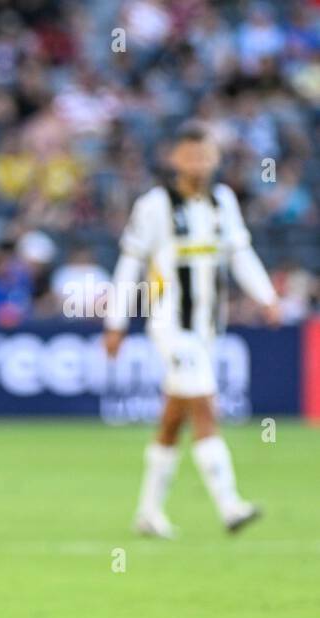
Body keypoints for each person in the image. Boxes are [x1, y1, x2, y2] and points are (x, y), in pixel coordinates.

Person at [103, 121, 279, 538]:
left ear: (216, 158)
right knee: (204, 406)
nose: (198, 163)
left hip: (206, 328)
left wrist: (267, 296)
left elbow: (240, 253)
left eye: (205, 154)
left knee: (173, 419)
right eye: (190, 154)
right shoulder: (154, 205)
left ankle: (148, 513)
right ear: (174, 158)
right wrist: (116, 321)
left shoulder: (222, 202)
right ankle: (230, 505)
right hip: (170, 326)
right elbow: (130, 264)